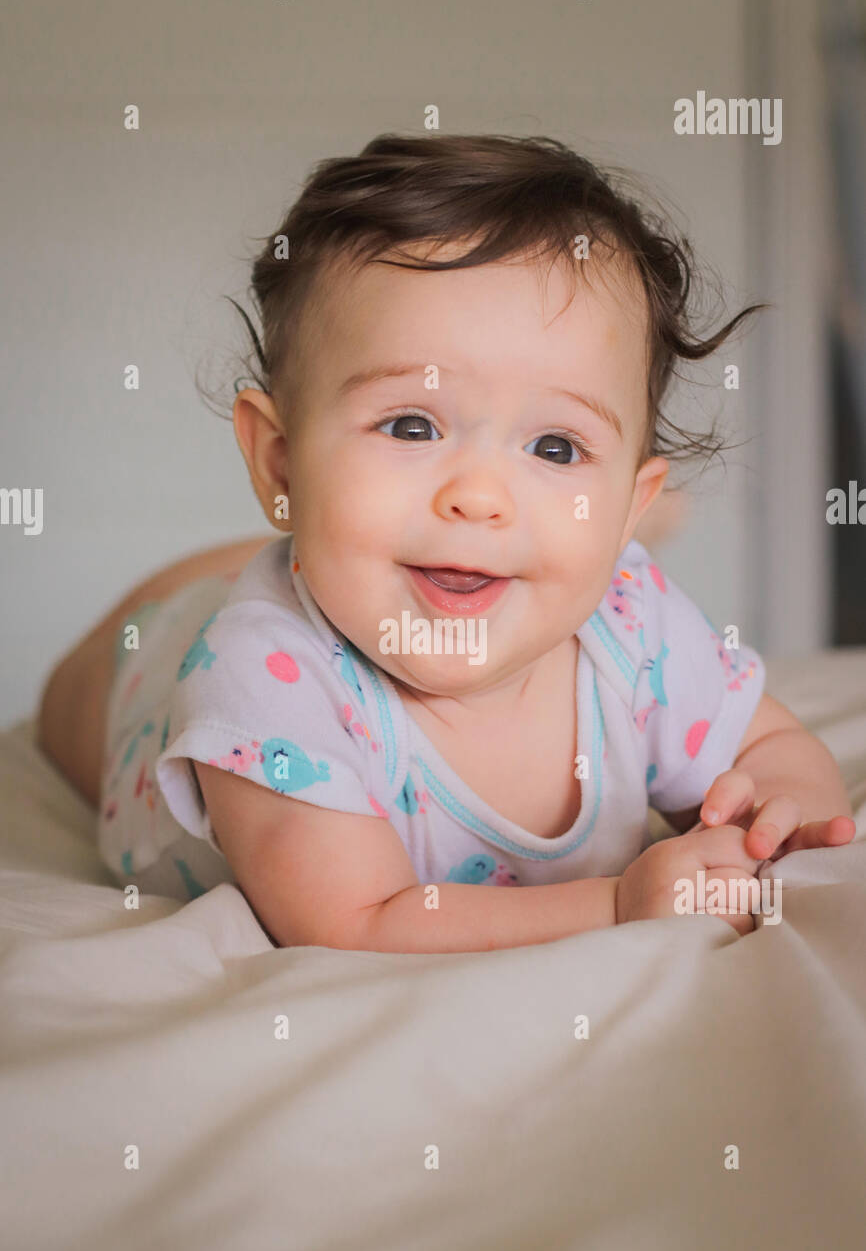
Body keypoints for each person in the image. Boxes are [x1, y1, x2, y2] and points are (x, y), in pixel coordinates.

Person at [37, 133, 855, 951]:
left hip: (379, 563)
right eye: (411, 425)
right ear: (277, 459)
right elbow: (359, 921)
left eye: (556, 449)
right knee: (90, 687)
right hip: (151, 676)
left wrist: (772, 819)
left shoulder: (630, 623)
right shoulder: (262, 686)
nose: (477, 496)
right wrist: (617, 904)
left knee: (324, 558)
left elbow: (772, 743)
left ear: (627, 508)